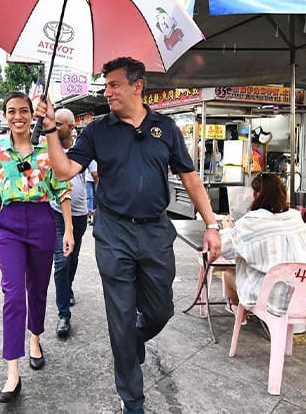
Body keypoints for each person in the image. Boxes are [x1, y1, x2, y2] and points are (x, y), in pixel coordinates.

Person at [35, 57, 221, 414]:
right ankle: (132, 401)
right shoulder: (96, 131)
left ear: (137, 85)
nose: (107, 93)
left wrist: (211, 224)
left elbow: (190, 178)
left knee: (159, 311)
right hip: (113, 231)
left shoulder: (165, 128)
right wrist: (47, 131)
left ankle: (133, 338)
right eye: (105, 86)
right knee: (120, 315)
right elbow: (62, 171)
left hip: (155, 231)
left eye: (114, 85)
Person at [0, 92, 73, 404]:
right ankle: (12, 373)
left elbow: (62, 189)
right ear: (4, 115)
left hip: (41, 222)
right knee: (13, 295)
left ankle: (35, 339)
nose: (17, 116)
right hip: (9, 226)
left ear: (33, 114)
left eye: (23, 110)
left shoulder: (48, 149)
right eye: (11, 111)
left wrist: (69, 230)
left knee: (37, 290)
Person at [219, 173, 306, 317]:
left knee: (228, 273)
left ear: (258, 195)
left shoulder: (252, 221)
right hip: (305, 298)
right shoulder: (295, 217)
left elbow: (224, 249)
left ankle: (240, 313)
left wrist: (228, 229)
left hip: (275, 301)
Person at [50, 108, 89, 339]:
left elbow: (95, 178)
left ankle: (68, 287)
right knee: (62, 261)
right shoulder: (49, 150)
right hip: (56, 213)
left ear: (70, 128)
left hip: (80, 214)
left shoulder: (83, 151)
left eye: (58, 125)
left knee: (72, 259)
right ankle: (63, 314)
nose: (53, 128)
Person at [85, 159, 98, 224]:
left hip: (97, 179)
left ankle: (95, 215)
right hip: (88, 179)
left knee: (96, 197)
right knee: (89, 196)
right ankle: (89, 214)